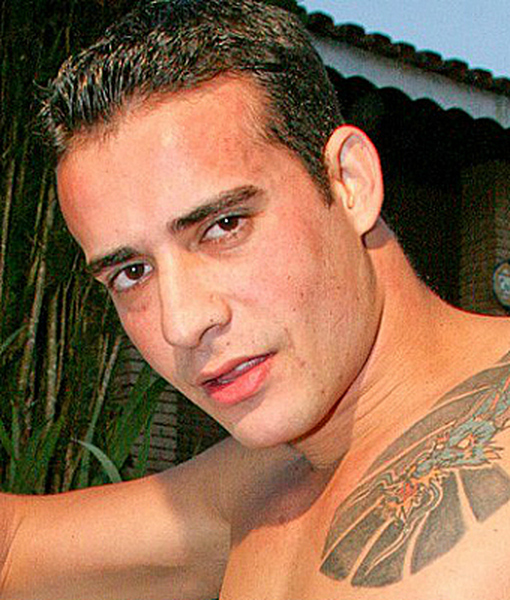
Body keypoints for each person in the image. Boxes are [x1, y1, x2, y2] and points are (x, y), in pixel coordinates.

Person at [2, 1, 510, 598]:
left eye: (224, 226)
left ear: (350, 183)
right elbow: (13, 547)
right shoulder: (263, 484)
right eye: (132, 272)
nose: (182, 322)